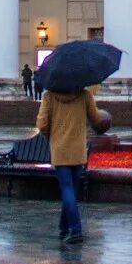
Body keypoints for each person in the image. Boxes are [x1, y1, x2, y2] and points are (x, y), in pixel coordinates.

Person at [35, 82, 109, 244]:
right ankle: (64, 228)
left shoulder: (49, 97)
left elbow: (42, 125)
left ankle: (74, 230)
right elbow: (97, 119)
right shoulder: (84, 95)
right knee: (71, 191)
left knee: (67, 190)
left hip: (60, 150)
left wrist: (52, 136)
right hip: (78, 150)